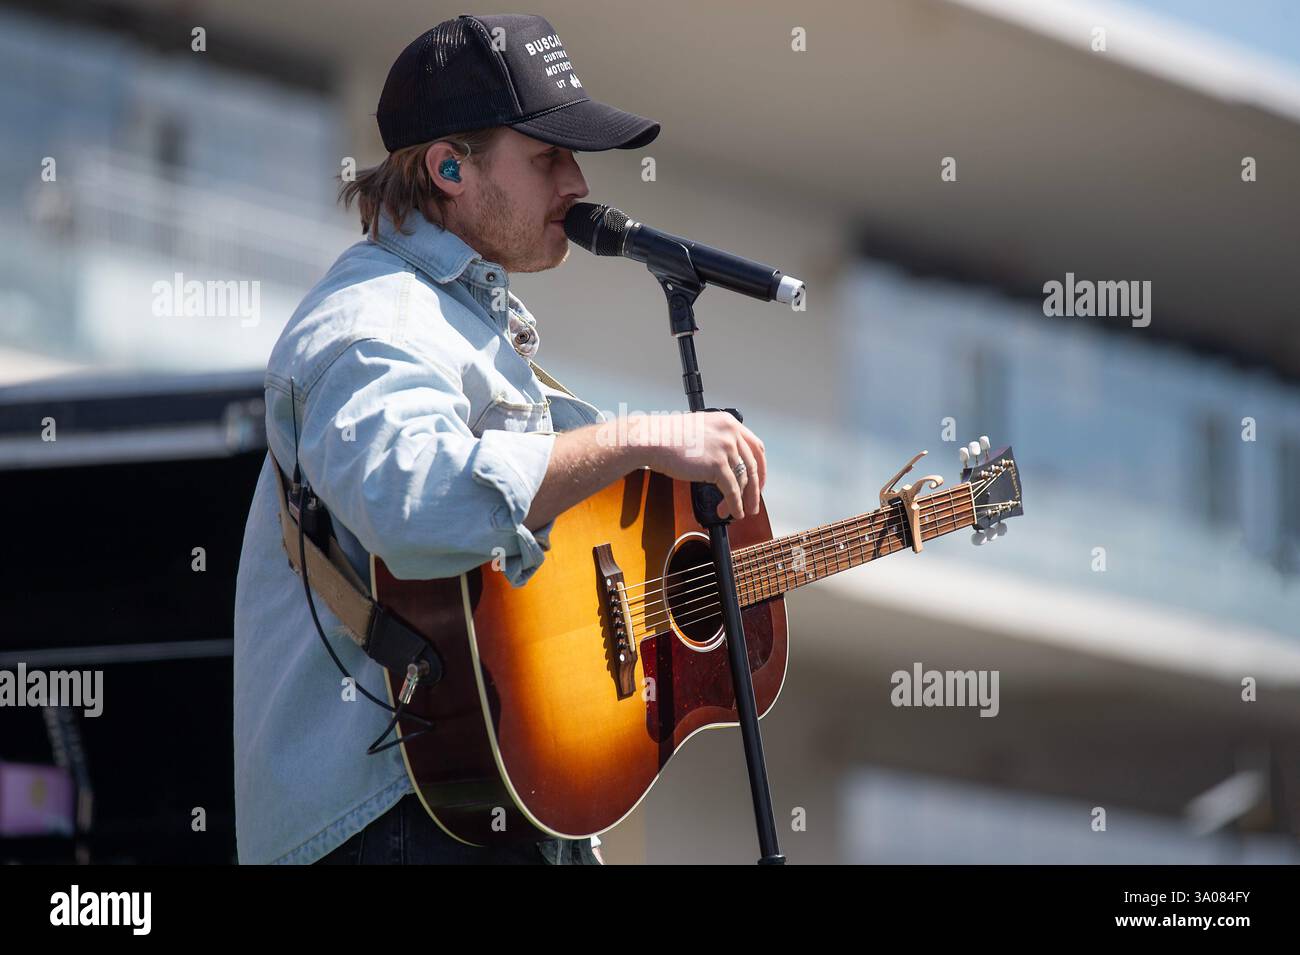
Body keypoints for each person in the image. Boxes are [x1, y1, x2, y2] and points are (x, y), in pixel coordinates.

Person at [232, 13, 767, 865]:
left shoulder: (456, 325)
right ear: (449, 167)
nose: (580, 183)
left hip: (467, 816)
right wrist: (636, 439)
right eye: (548, 158)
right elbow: (417, 504)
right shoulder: (371, 324)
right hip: (390, 825)